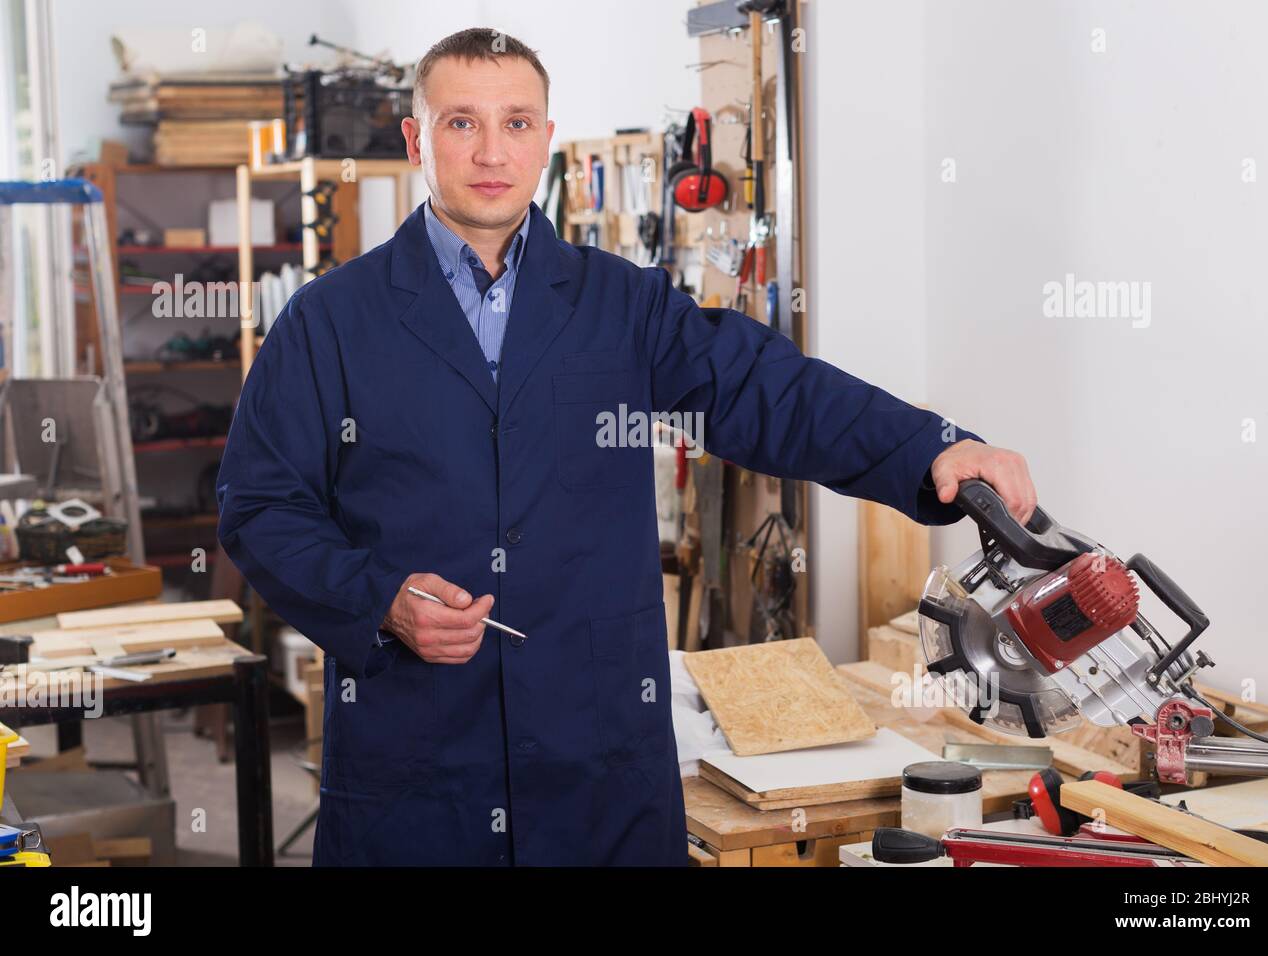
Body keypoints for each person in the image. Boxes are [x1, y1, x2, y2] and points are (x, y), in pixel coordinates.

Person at [216, 27, 1037, 866]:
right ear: (416, 138)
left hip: (596, 762)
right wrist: (378, 597)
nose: (492, 149)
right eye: (461, 122)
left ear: (546, 139)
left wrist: (928, 449)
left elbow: (766, 389)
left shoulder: (620, 304)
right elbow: (260, 505)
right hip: (417, 764)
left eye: (518, 122)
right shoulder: (330, 322)